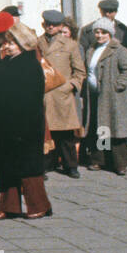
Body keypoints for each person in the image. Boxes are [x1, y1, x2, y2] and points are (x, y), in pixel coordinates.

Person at [0, 21, 51, 219]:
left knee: (29, 168)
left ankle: (39, 205)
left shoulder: (30, 64)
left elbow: (32, 99)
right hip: (6, 122)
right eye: (6, 43)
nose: (7, 46)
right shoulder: (5, 63)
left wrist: (21, 124)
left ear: (23, 44)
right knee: (7, 166)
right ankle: (9, 206)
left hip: (25, 124)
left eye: (12, 43)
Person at [83, 17, 127, 174]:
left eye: (103, 33)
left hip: (113, 96)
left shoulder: (119, 50)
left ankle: (120, 163)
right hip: (95, 95)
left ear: (110, 33)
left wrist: (117, 85)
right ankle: (101, 159)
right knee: (101, 128)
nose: (99, 36)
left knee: (115, 129)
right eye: (97, 32)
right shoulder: (91, 49)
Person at [38, 9, 86, 178]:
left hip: (61, 95)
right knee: (44, 132)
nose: (50, 27)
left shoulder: (70, 45)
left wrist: (70, 86)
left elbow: (80, 72)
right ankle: (44, 165)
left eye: (54, 25)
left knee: (65, 134)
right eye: (48, 24)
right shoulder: (36, 43)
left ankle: (70, 165)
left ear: (60, 26)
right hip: (42, 94)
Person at [78, 0, 127, 95]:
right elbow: (82, 57)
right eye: (104, 11)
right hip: (94, 82)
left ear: (116, 12)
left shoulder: (124, 31)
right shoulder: (88, 31)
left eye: (111, 12)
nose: (107, 14)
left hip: (115, 84)